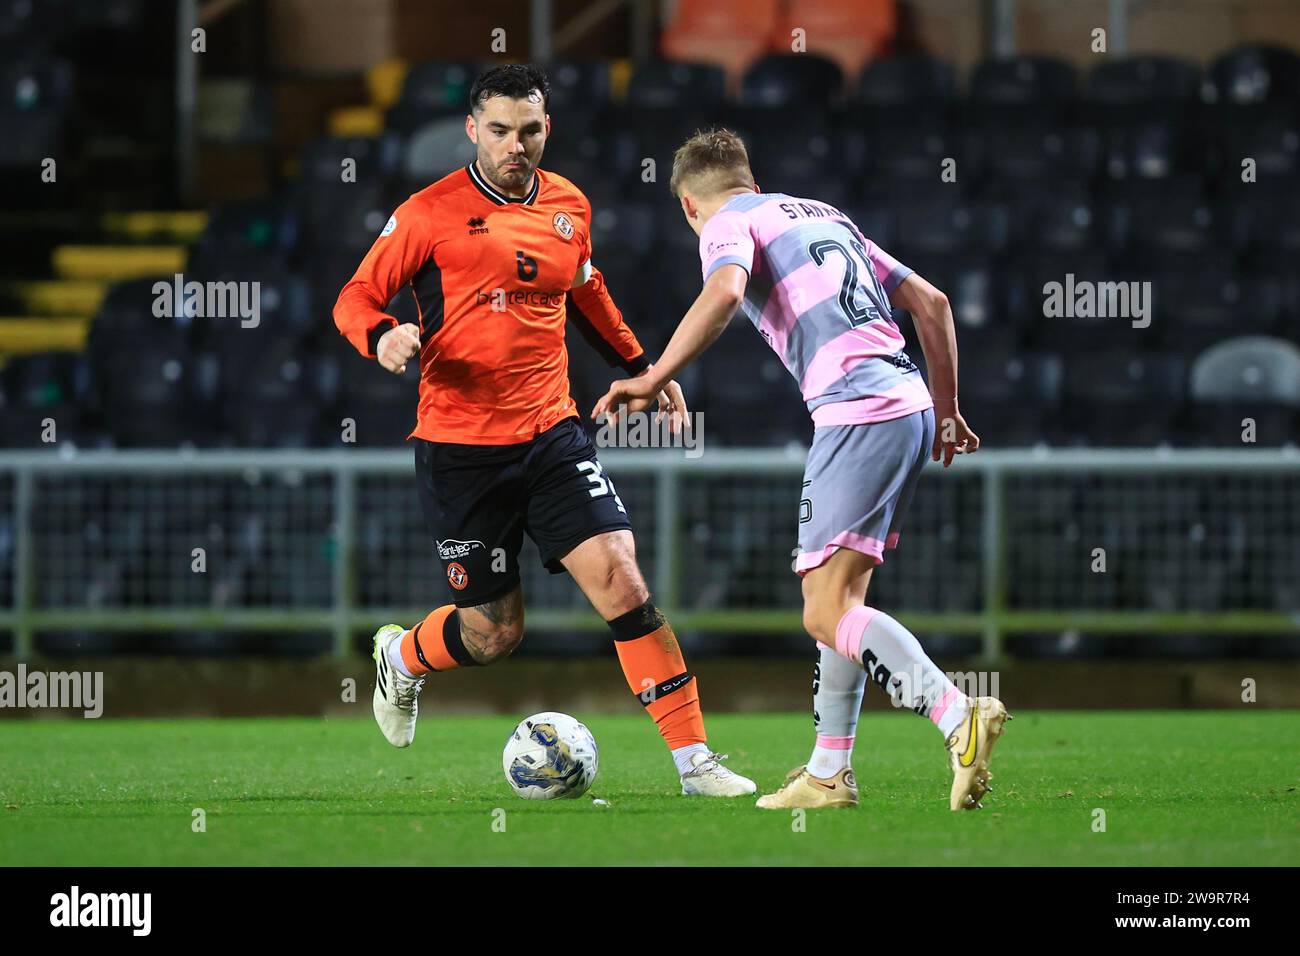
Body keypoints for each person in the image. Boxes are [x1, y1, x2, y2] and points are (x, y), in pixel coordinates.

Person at [333, 68, 754, 797]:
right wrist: (381, 338)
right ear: (473, 131)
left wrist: (641, 368)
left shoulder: (568, 206)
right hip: (460, 448)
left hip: (551, 432)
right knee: (493, 633)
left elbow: (587, 292)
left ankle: (695, 764)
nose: (514, 145)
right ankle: (401, 657)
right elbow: (355, 296)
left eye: (528, 130)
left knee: (622, 579)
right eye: (498, 130)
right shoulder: (427, 214)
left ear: (546, 129)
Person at [594, 128, 1009, 811]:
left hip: (856, 409)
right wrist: (948, 408)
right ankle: (827, 773)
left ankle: (955, 713)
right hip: (905, 404)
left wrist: (654, 375)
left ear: (689, 207)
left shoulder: (726, 222)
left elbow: (725, 294)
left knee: (823, 613)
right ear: (749, 177)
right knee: (843, 601)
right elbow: (932, 303)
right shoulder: (824, 214)